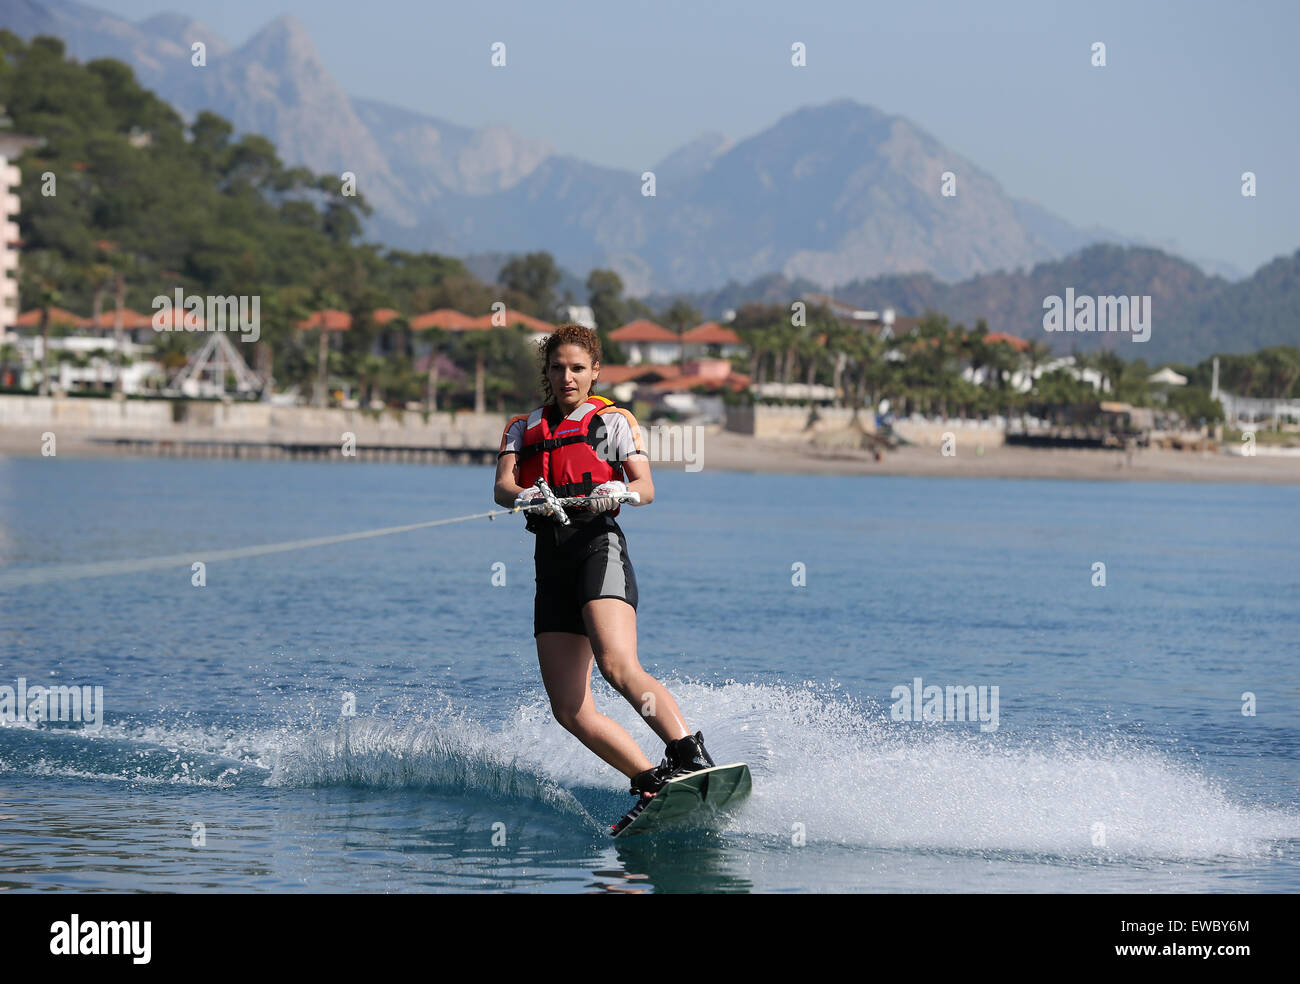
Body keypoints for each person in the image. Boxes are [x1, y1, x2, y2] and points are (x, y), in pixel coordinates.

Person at [493, 324, 716, 834]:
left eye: (577, 367)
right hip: (551, 564)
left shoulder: (613, 422)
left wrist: (617, 489)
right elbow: (504, 487)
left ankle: (689, 754)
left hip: (598, 549)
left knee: (617, 665)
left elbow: (647, 487)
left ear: (595, 371)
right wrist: (525, 495)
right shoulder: (521, 426)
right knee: (568, 708)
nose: (566, 376)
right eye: (556, 367)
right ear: (546, 372)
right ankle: (649, 781)